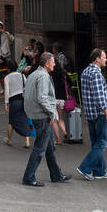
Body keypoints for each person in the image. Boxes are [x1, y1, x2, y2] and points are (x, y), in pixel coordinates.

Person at [21, 51, 69, 187]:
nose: (55, 64)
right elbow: (42, 97)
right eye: (53, 62)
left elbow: (25, 93)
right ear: (47, 63)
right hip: (42, 116)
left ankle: (56, 175)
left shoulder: (34, 74)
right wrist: (51, 113)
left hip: (36, 114)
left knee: (49, 147)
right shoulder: (43, 76)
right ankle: (28, 177)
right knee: (40, 148)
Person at [77, 47, 107, 180]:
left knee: (96, 143)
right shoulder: (96, 74)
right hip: (99, 114)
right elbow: (99, 97)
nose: (106, 59)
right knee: (102, 143)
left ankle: (100, 171)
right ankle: (85, 168)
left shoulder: (86, 71)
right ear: (97, 59)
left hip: (90, 112)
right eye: (104, 57)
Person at [3, 59, 34, 149]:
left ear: (8, 68)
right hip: (23, 100)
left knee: (11, 121)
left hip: (14, 102)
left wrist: (6, 104)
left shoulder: (7, 78)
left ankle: (9, 140)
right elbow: (27, 87)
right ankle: (27, 141)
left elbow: (7, 92)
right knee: (24, 119)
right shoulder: (22, 75)